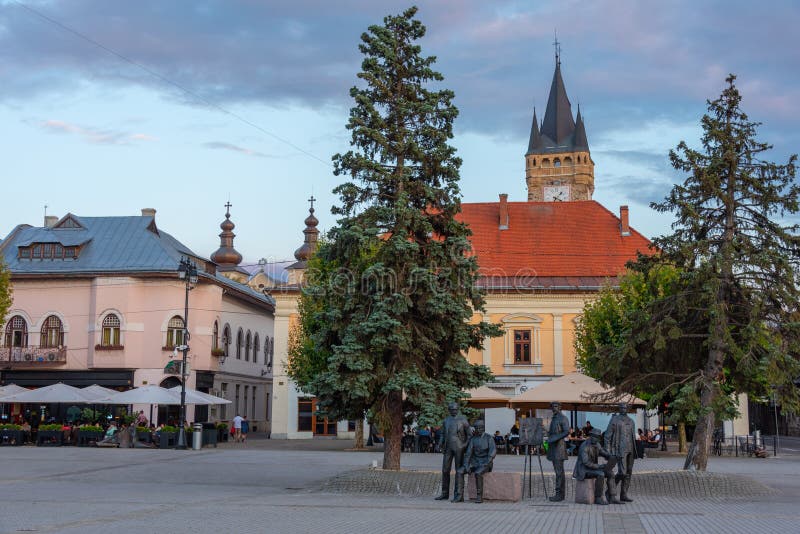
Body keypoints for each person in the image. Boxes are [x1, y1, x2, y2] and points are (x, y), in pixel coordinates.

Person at [434, 402, 470, 502]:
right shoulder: (446, 420)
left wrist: (464, 445)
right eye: (452, 410)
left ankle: (458, 495)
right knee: (445, 470)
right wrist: (440, 443)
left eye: (455, 409)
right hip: (448, 448)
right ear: (449, 410)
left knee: (459, 471)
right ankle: (444, 494)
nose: (454, 411)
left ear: (458, 409)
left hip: (459, 448)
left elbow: (470, 435)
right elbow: (442, 434)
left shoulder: (463, 420)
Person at [604, 402, 637, 503]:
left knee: (629, 472)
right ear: (619, 408)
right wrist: (608, 451)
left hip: (631, 449)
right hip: (619, 449)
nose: (624, 409)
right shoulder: (615, 420)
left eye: (625, 407)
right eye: (622, 407)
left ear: (628, 408)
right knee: (622, 472)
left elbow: (632, 436)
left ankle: (624, 494)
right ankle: (609, 491)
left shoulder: (631, 421)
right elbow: (607, 436)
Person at [458, 420, 496, 503]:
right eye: (476, 428)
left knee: (478, 473)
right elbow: (468, 454)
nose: (478, 430)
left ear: (483, 428)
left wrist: (486, 463)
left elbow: (492, 453)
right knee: (460, 471)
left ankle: (479, 496)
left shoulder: (489, 438)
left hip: (485, 463)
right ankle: (459, 496)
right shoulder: (473, 439)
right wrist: (466, 465)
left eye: (480, 428)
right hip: (474, 462)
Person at [572, 428, 613, 505]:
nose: (596, 439)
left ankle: (612, 495)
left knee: (610, 473)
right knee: (600, 474)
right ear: (590, 436)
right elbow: (586, 463)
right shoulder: (584, 446)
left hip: (592, 468)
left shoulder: (597, 444)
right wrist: (599, 466)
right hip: (584, 470)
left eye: (597, 437)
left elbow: (602, 452)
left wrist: (610, 456)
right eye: (594, 437)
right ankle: (598, 498)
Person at [546, 401, 571, 502]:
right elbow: (554, 432)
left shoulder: (562, 418)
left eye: (556, 406)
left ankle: (559, 495)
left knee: (559, 472)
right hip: (553, 448)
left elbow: (566, 431)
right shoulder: (554, 418)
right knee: (558, 472)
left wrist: (554, 438)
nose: (554, 408)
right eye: (552, 406)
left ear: (560, 407)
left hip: (559, 448)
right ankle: (560, 494)